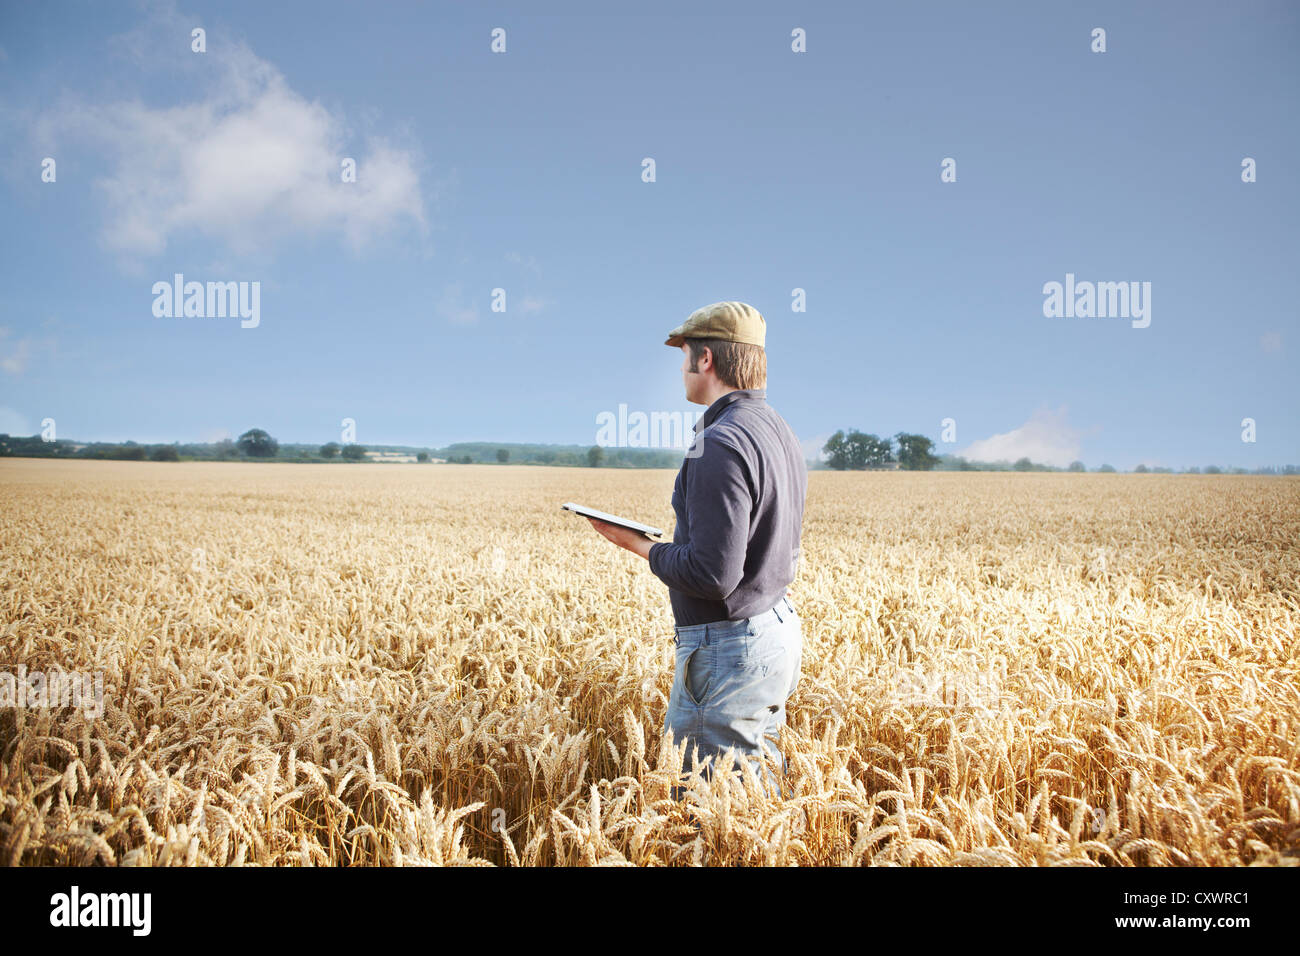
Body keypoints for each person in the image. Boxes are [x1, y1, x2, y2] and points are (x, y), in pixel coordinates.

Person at [584, 301, 808, 800]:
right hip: (773, 629)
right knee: (751, 798)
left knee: (707, 808)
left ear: (705, 359)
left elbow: (712, 575)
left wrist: (639, 546)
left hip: (729, 646)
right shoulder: (776, 428)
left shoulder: (720, 443)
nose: (680, 369)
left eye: (683, 354)